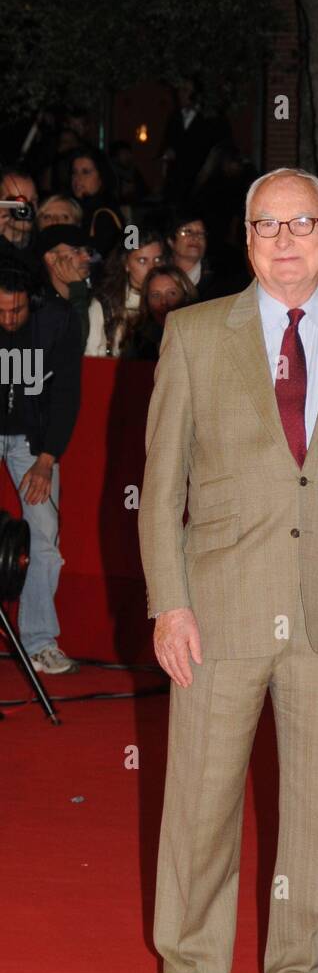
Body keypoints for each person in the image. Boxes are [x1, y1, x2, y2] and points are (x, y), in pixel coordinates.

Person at [137, 166, 318, 973]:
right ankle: (191, 972)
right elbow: (160, 484)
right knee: (198, 800)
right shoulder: (195, 335)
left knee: (317, 804)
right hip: (218, 608)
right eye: (267, 226)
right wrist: (170, 603)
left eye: (302, 224)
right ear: (246, 239)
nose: (286, 240)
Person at [0, 257, 82, 673]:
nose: (8, 318)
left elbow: (66, 394)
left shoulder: (56, 322)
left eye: (16, 310)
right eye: (0, 312)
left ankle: (38, 641)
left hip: (35, 438)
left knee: (44, 535)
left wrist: (47, 459)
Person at [87, 226, 166, 357]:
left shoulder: (174, 300)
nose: (153, 268)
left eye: (157, 260)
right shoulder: (105, 306)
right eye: (142, 261)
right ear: (126, 263)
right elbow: (91, 362)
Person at [36, 224, 100, 354]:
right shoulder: (37, 303)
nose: (87, 257)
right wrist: (77, 288)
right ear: (51, 258)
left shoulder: (96, 296)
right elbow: (73, 345)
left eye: (87, 250)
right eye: (76, 250)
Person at [121, 265, 197, 361]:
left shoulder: (200, 335)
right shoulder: (137, 341)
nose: (164, 302)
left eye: (172, 293)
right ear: (146, 301)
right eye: (156, 295)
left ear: (186, 296)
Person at [67, 148, 124, 258]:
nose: (77, 178)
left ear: (101, 177)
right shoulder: (74, 208)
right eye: (74, 172)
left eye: (86, 172)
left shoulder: (104, 215)